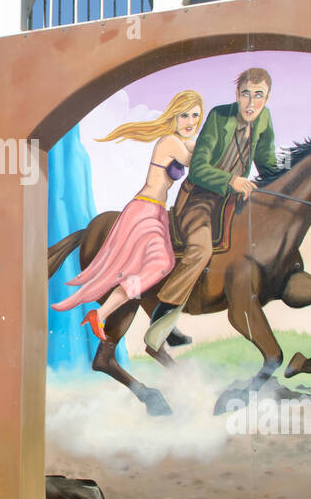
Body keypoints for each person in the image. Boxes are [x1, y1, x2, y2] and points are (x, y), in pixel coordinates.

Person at [144, 67, 276, 353]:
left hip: (234, 200)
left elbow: (268, 166)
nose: (251, 104)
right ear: (237, 95)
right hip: (200, 199)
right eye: (245, 95)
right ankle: (162, 316)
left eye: (258, 96)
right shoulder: (218, 117)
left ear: (267, 98)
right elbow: (200, 168)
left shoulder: (264, 120)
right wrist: (231, 180)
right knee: (200, 250)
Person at [52, 91, 203, 339]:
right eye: (183, 115)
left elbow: (195, 147)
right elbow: (194, 159)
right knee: (163, 263)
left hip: (158, 213)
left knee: (139, 269)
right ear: (173, 117)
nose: (189, 121)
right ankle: (103, 315)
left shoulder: (180, 140)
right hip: (145, 209)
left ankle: (104, 314)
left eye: (195, 115)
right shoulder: (170, 142)